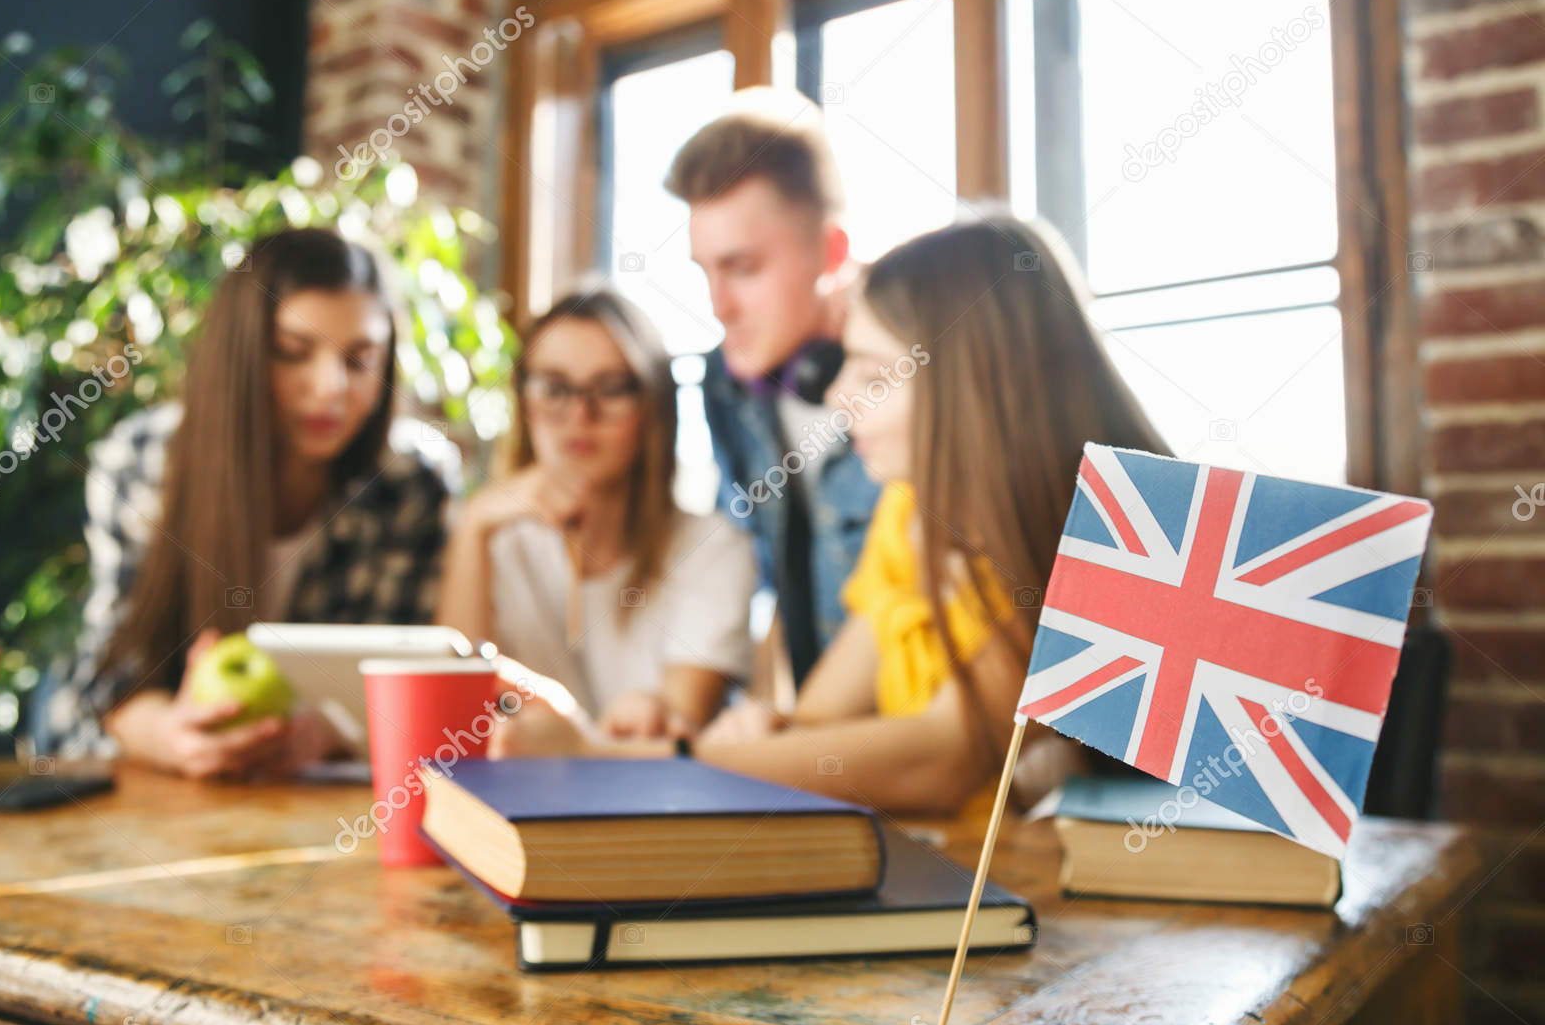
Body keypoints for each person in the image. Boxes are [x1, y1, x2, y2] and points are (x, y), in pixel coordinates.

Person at [490, 214, 1169, 814]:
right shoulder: (911, 512)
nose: (839, 396)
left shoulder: (1099, 540)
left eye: (873, 376)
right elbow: (818, 720)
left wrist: (606, 759)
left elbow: (943, 757)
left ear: (970, 389)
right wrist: (754, 733)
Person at [43, 228, 460, 777]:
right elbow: (112, 680)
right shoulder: (145, 461)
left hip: (323, 798)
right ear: (241, 356)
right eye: (293, 353)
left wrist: (326, 733)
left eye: (359, 360)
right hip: (166, 786)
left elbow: (412, 684)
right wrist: (176, 738)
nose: (330, 387)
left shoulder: (411, 482)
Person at [437, 289, 755, 738]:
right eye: (554, 388)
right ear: (524, 401)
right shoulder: (490, 535)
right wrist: (474, 526)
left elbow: (671, 739)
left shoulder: (713, 549)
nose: (580, 415)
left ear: (653, 406)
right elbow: (450, 721)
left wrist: (568, 730)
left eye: (611, 389)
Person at [665, 88, 882, 695]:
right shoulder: (725, 383)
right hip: (822, 734)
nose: (718, 306)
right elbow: (753, 562)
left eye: (743, 268)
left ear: (831, 251)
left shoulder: (922, 368)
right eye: (704, 271)